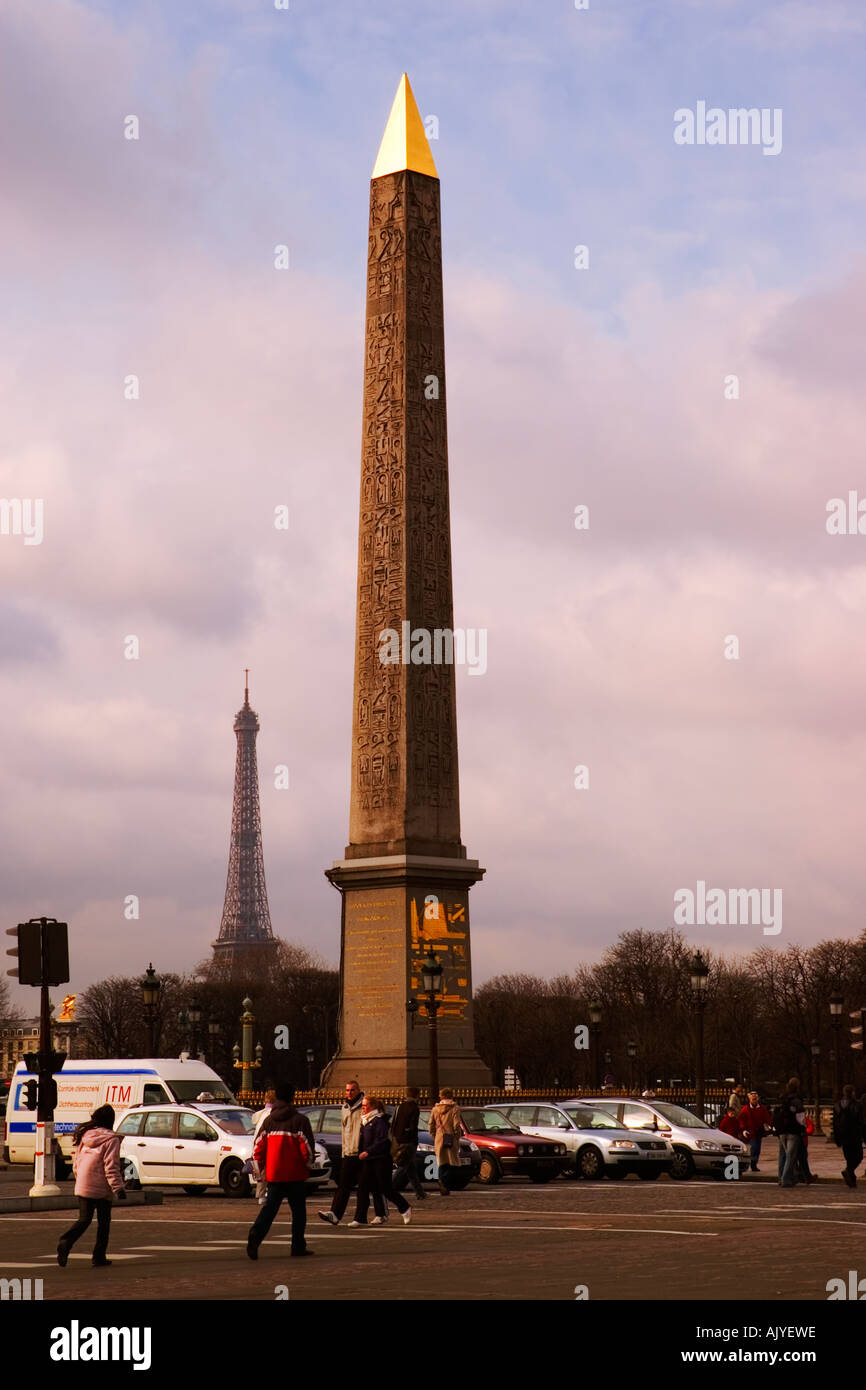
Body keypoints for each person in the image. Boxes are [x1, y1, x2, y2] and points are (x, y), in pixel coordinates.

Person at [246, 1084, 315, 1259]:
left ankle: (256, 1235)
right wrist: (308, 1165)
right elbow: (306, 1148)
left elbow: (258, 1148)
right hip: (295, 1174)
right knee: (299, 1212)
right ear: (293, 1098)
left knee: (269, 1210)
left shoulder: (269, 1121)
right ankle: (297, 1245)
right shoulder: (300, 1121)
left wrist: (258, 1168)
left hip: (275, 1173)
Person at [57, 1104, 126, 1269]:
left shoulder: (86, 1136)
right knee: (104, 1222)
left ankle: (66, 1241)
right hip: (101, 1186)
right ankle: (98, 1256)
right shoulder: (111, 1139)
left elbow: (77, 1162)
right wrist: (118, 1188)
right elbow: (111, 1166)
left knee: (84, 1219)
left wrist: (80, 1179)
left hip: (84, 1183)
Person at [318, 1080, 384, 1226]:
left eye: (352, 1090)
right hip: (349, 1153)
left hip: (362, 1152)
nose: (349, 1093)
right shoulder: (345, 1108)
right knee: (343, 1184)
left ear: (358, 1090)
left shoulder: (365, 1107)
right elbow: (344, 1131)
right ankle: (335, 1214)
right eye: (347, 1090)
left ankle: (364, 1217)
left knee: (365, 1186)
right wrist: (344, 1151)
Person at [350, 1097, 411, 1227]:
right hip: (368, 1160)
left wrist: (369, 1151)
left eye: (365, 1105)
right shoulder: (365, 1121)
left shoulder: (379, 1121)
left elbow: (382, 1141)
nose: (363, 1108)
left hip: (381, 1159)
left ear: (372, 1107)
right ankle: (360, 1217)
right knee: (363, 1187)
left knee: (385, 1187)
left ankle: (404, 1207)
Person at [392, 1086, 426, 1200]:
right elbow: (413, 1126)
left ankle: (420, 1192)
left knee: (410, 1168)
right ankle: (388, 1188)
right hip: (409, 1141)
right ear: (417, 1096)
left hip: (399, 1139)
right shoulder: (414, 1108)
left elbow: (395, 1123)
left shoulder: (400, 1106)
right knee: (403, 1165)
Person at [429, 1087, 462, 1196]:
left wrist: (435, 1135)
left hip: (439, 1137)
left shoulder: (435, 1109)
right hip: (450, 1137)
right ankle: (445, 1183)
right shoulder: (455, 1108)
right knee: (451, 1162)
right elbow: (456, 1124)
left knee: (441, 1162)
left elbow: (431, 1125)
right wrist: (457, 1136)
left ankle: (441, 1181)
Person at [774, 1077, 806, 1188]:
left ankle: (780, 1177)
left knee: (782, 1155)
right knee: (790, 1155)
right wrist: (803, 1129)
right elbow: (800, 1117)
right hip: (793, 1130)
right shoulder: (797, 1100)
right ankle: (785, 1178)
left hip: (782, 1130)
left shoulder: (783, 1097)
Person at [832, 1084, 865, 1188]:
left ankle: (851, 1180)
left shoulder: (837, 1105)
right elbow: (861, 1122)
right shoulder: (857, 1105)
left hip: (842, 1135)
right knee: (858, 1156)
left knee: (849, 1157)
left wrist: (836, 1137)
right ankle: (849, 1171)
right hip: (854, 1134)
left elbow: (835, 1123)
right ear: (853, 1092)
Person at [252, 1088, 277, 1205]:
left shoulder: (260, 1114)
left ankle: (261, 1195)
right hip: (269, 1142)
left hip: (258, 1143)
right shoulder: (273, 1114)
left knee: (261, 1170)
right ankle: (271, 1193)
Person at [738, 1091, 773, 1172]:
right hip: (750, 1132)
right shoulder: (745, 1109)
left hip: (759, 1132)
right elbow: (742, 1120)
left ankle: (754, 1163)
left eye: (755, 1098)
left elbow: (767, 1119)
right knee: (754, 1147)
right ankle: (753, 1164)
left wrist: (770, 1126)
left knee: (758, 1148)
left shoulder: (762, 1108)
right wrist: (743, 1130)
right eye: (753, 1098)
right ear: (750, 1099)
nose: (754, 1099)